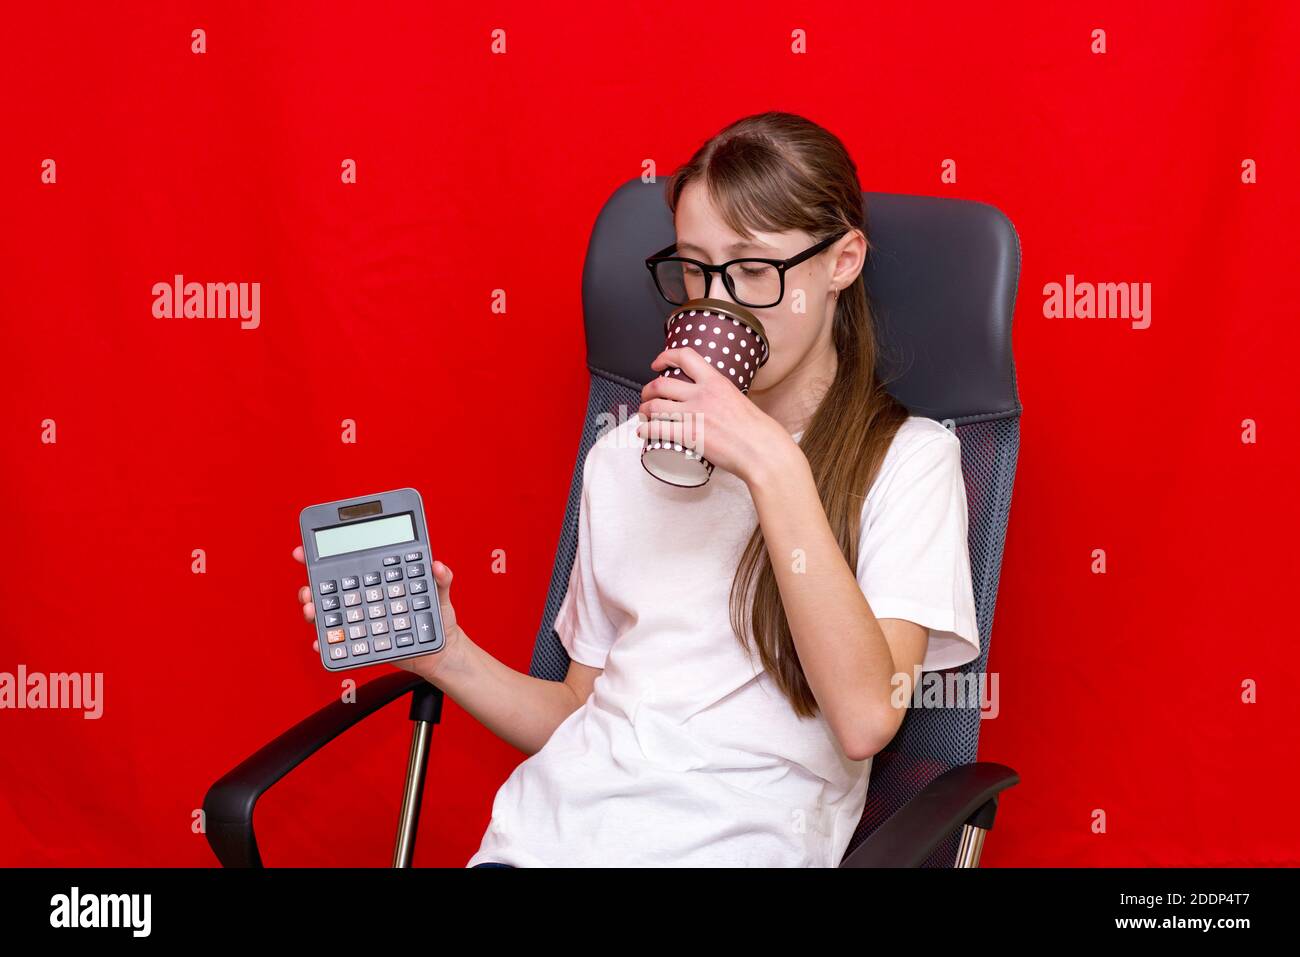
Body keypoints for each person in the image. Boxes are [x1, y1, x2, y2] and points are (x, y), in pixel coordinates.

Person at [294, 111, 980, 867]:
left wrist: (772, 463)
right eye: (695, 268)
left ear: (842, 261)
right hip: (538, 845)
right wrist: (444, 652)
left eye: (754, 270)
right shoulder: (624, 455)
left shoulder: (911, 462)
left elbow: (863, 720)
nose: (718, 302)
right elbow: (582, 713)